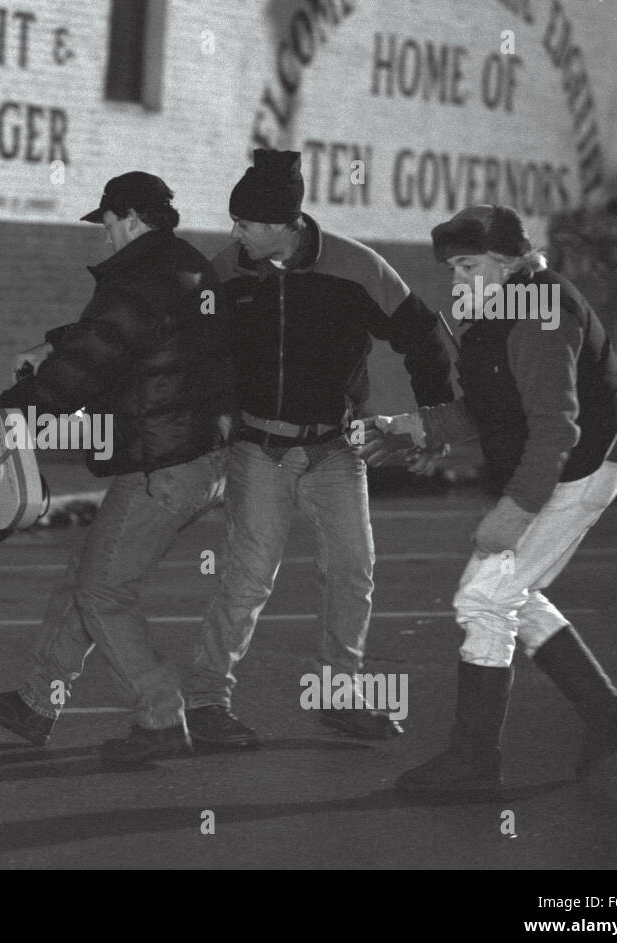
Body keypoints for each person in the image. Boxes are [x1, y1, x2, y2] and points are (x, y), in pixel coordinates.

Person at [369, 204, 617, 795]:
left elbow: (555, 428)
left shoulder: (540, 312)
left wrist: (515, 510)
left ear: (510, 262)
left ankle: (474, 760)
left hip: (581, 468)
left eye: (468, 267)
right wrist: (413, 427)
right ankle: (607, 712)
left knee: (484, 598)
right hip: (569, 463)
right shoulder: (502, 308)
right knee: (506, 594)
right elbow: (490, 409)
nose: (457, 281)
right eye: (453, 269)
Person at [182, 149, 456, 748]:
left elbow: (423, 335)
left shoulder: (358, 268)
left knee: (353, 572)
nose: (235, 233)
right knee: (248, 580)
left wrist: (434, 421)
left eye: (245, 224)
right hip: (259, 448)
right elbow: (191, 350)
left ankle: (340, 696)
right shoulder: (228, 272)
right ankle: (204, 702)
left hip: (335, 449)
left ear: (284, 224)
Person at [0, 172, 235, 763]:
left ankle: (162, 718)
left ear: (130, 218)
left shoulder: (140, 278)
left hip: (165, 462)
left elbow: (88, 363)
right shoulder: (183, 266)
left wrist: (1, 417)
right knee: (86, 575)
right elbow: (129, 337)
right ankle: (37, 701)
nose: (105, 236)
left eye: (107, 224)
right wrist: (55, 344)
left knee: (103, 592)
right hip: (192, 455)